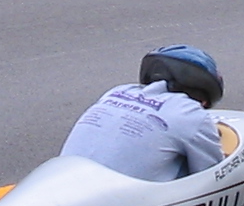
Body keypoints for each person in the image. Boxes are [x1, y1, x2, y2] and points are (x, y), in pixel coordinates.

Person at [60, 45, 226, 183]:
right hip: (119, 205)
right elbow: (212, 176)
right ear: (202, 96)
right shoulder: (189, 113)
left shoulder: (117, 92)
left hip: (63, 184)